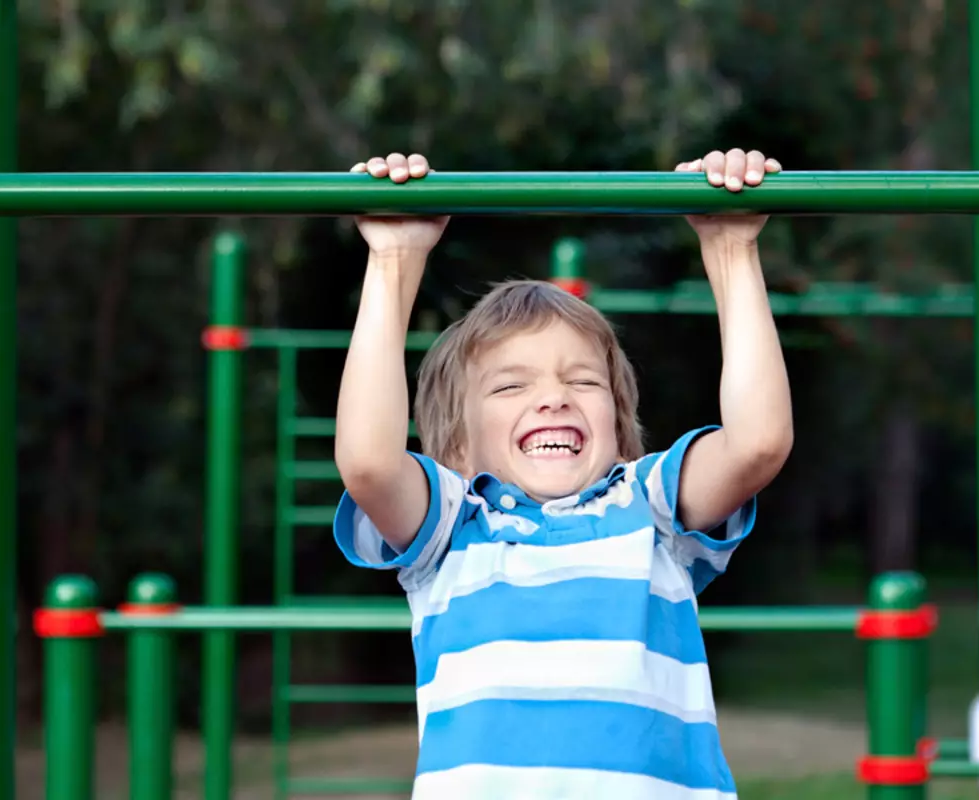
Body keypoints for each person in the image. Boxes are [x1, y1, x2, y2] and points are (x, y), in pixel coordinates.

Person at [331, 149, 791, 799]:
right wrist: (395, 260)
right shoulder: (453, 529)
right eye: (512, 385)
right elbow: (369, 462)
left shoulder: (650, 509)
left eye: (582, 381)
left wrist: (730, 248)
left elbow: (758, 442)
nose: (553, 398)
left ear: (619, 424)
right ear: (456, 446)